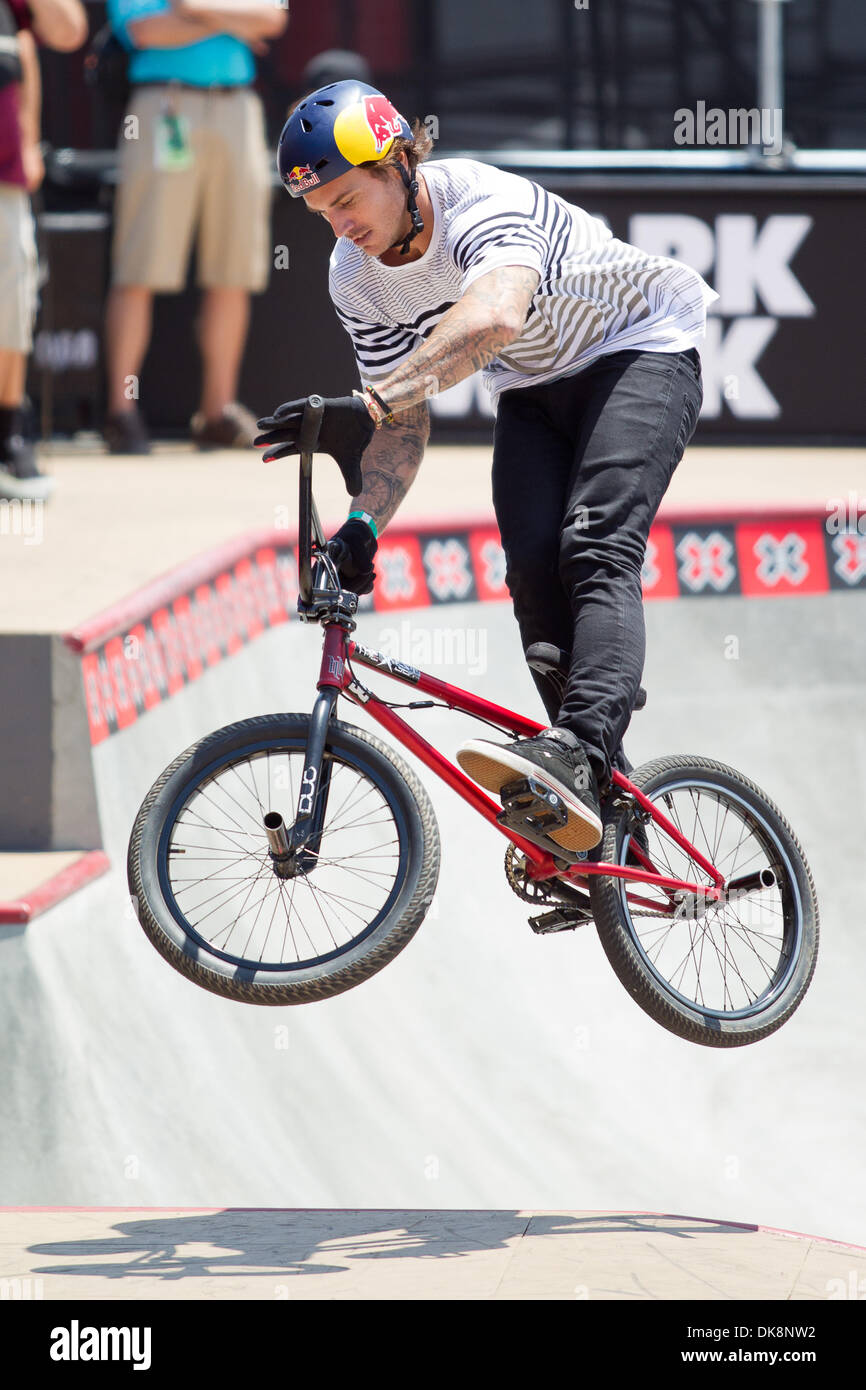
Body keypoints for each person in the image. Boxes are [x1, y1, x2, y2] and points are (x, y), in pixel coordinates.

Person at [256, 81, 712, 855]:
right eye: (321, 212)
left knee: (595, 547)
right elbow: (404, 416)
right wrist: (362, 525)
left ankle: (576, 749)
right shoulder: (352, 276)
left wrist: (368, 401)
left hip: (640, 351)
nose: (340, 224)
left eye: (348, 197)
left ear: (399, 161)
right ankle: (600, 824)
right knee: (533, 573)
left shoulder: (478, 199)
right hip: (533, 389)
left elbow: (493, 318)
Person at [102, 0, 287, 453]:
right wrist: (231, 20)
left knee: (234, 268)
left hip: (237, 106)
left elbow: (273, 19)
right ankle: (120, 411)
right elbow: (144, 31)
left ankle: (216, 412)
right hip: (163, 104)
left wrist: (192, 9)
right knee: (140, 265)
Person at [0, 0, 87, 500]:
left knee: (11, 303)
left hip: (6, 173)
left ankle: (8, 439)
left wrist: (30, 139)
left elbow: (66, 29)